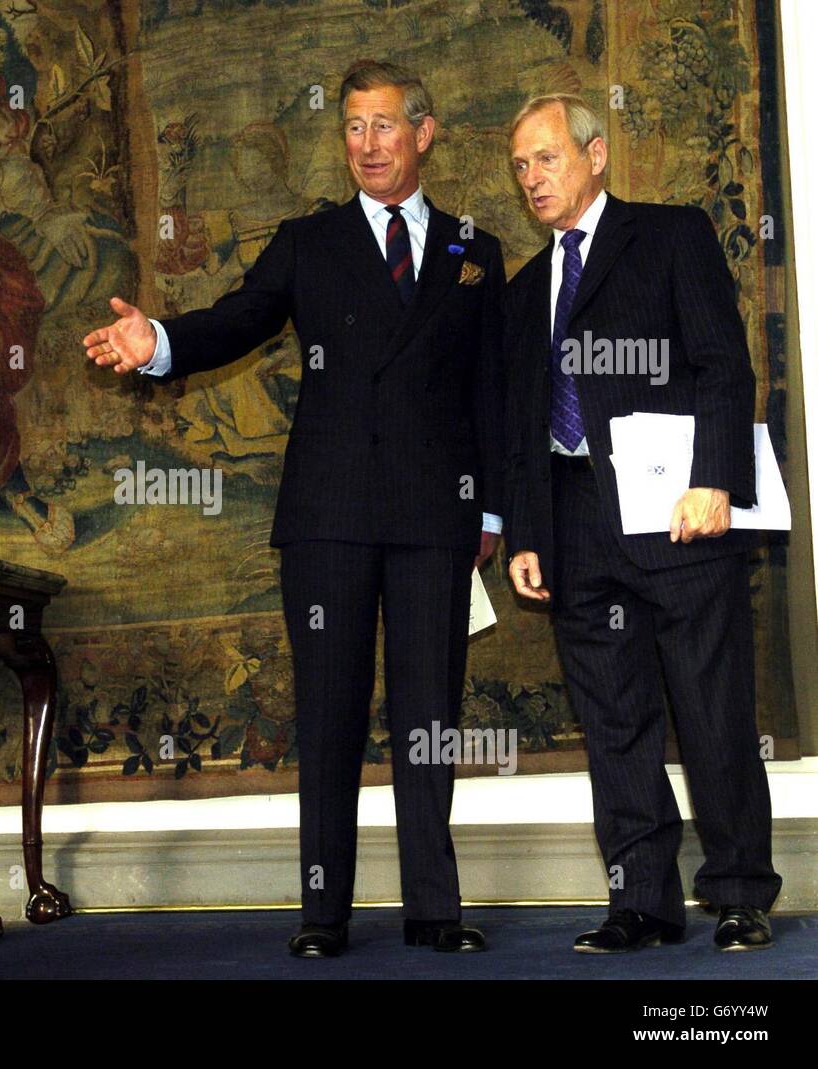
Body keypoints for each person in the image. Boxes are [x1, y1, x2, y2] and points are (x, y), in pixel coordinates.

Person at [83, 60, 506, 957]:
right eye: (353, 127)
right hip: (329, 517)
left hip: (437, 519)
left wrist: (494, 515)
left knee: (432, 717)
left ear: (423, 133)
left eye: (385, 126)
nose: (368, 145)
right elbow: (235, 318)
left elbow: (494, 394)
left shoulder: (477, 249)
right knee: (329, 714)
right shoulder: (308, 242)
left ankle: (436, 909)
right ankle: (324, 914)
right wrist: (157, 340)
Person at [503, 93, 781, 952]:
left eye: (547, 158)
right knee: (614, 721)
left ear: (595, 156)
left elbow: (721, 366)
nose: (532, 178)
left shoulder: (669, 235)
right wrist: (524, 534)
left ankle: (738, 895)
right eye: (519, 166)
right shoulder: (521, 291)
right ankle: (642, 904)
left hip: (677, 513)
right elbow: (516, 421)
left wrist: (716, 483)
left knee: (712, 708)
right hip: (575, 523)